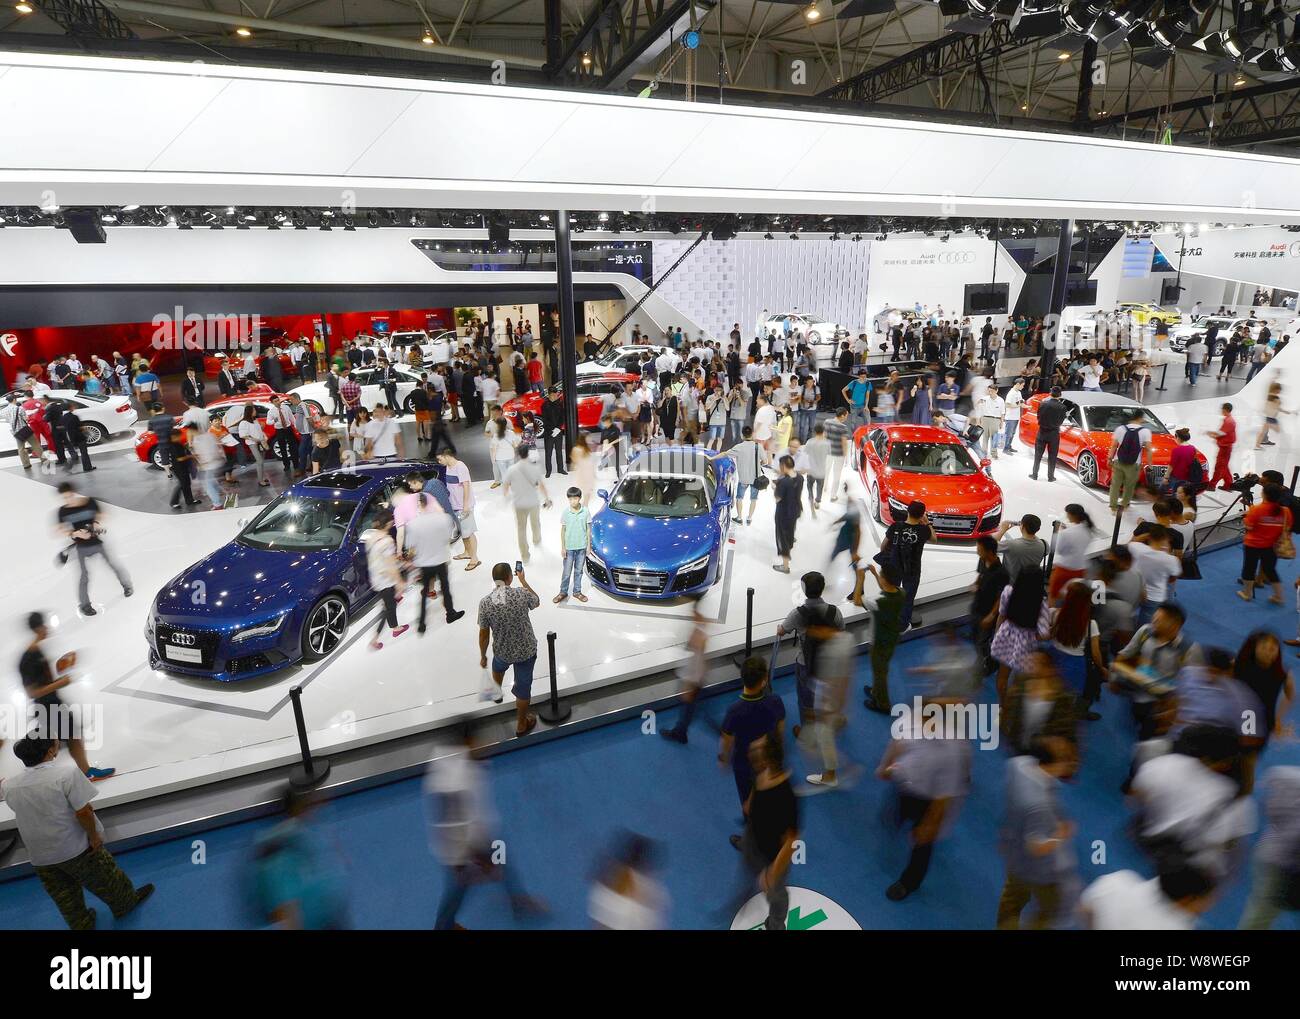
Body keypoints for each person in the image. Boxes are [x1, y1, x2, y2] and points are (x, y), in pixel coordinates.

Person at [1, 735, 152, 929]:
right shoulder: (66, 775)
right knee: (108, 878)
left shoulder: (10, 785)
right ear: (50, 751)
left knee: (64, 896)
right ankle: (125, 904)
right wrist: (94, 836)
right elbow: (83, 811)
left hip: (40, 856)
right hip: (75, 848)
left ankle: (82, 923)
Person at [424, 724, 544, 930]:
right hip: (463, 850)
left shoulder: (461, 760)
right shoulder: (452, 782)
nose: (480, 744)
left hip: (484, 836)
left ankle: (517, 901)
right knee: (458, 888)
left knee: (504, 862)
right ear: (465, 743)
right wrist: (472, 859)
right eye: (474, 740)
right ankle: (443, 926)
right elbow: (453, 825)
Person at [876, 698, 971, 901]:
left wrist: (930, 824)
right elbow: (896, 743)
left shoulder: (951, 749)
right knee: (895, 814)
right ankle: (900, 821)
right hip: (904, 787)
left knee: (923, 845)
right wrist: (885, 765)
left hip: (928, 800)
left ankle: (909, 882)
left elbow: (944, 795)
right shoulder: (909, 722)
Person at [996, 736, 1079, 930]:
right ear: (1053, 763)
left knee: (1011, 900)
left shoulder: (1018, 764)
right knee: (1051, 910)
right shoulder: (1038, 804)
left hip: (1012, 848)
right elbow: (1037, 847)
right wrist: (1061, 834)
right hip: (1038, 869)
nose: (1072, 763)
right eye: (1067, 759)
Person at [723, 733, 799, 930]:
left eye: (757, 749)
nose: (751, 749)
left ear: (768, 758)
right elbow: (754, 794)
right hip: (753, 837)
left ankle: (776, 924)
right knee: (748, 861)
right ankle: (747, 854)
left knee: (777, 894)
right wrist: (750, 803)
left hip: (772, 854)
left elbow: (791, 842)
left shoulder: (785, 796)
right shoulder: (762, 772)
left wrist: (772, 873)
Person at [719, 657, 786, 837]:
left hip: (743, 762)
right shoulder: (775, 701)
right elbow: (780, 729)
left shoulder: (735, 710)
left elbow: (727, 738)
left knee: (748, 798)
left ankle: (752, 836)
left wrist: (724, 757)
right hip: (769, 759)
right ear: (764, 679)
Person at [477, 563, 542, 736]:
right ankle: (521, 724)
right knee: (523, 688)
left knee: (498, 666)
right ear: (509, 578)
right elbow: (537, 601)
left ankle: (497, 692)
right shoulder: (521, 594)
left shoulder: (485, 603)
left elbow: (484, 634)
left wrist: (483, 655)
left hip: (502, 650)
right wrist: (524, 581)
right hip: (525, 650)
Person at [56, 482, 131, 616]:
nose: (68, 500)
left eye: (70, 496)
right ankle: (85, 605)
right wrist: (74, 533)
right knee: (84, 576)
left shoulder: (89, 502)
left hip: (97, 543)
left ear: (74, 492)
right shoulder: (63, 511)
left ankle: (127, 585)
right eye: (65, 498)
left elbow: (102, 514)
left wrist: (96, 523)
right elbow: (59, 530)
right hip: (80, 547)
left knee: (113, 565)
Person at [1238, 765, 1300, 929]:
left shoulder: (1284, 775)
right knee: (1261, 914)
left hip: (1270, 853)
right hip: (1284, 861)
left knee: (1261, 913)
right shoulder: (1288, 778)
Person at [402, 492, 465, 633]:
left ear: (418, 506)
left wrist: (409, 560)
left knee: (425, 592)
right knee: (445, 589)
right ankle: (450, 614)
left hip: (423, 563)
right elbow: (448, 538)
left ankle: (422, 624)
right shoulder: (444, 519)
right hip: (440, 559)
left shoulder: (412, 524)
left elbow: (411, 548)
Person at [1081, 866, 1217, 930]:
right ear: (1186, 899)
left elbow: (1085, 908)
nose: (1208, 905)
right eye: (1204, 899)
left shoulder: (1117, 881)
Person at [990, 565, 1051, 699]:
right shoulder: (1041, 603)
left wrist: (997, 633)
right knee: (1022, 681)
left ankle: (1003, 707)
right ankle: (1016, 708)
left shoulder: (1008, 592)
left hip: (1007, 634)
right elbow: (1044, 634)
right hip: (1027, 643)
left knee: (1002, 675)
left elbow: (1001, 615)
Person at [880, 500, 933, 631]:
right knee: (908, 597)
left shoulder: (896, 526)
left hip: (895, 567)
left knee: (892, 593)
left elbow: (883, 545)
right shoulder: (923, 530)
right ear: (922, 515)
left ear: (907, 511)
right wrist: (927, 523)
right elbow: (934, 538)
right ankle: (903, 625)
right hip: (913, 569)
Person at [361, 509, 409, 650]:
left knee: (388, 604)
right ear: (388, 523)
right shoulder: (387, 541)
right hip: (386, 579)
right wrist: (399, 581)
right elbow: (390, 565)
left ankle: (394, 625)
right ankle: (378, 637)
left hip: (376, 576)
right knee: (387, 608)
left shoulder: (371, 537)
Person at [1239, 483, 1292, 605]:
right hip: (1272, 546)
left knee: (1249, 568)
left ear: (1264, 494)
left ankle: (1247, 593)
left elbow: (1249, 526)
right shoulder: (1285, 511)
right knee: (1270, 570)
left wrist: (1245, 519)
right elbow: (1287, 527)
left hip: (1253, 545)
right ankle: (1279, 596)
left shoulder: (1256, 509)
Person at [863, 562, 905, 713]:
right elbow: (887, 589)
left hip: (878, 641)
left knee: (879, 672)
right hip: (892, 637)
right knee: (882, 668)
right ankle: (875, 691)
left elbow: (857, 599)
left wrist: (860, 578)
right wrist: (875, 574)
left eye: (880, 574)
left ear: (884, 579)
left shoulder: (876, 602)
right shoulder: (901, 592)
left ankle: (883, 704)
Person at [503, 445, 551, 564]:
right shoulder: (534, 468)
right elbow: (541, 485)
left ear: (518, 454)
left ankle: (525, 556)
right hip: (533, 502)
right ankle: (537, 540)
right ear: (528, 453)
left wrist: (507, 497)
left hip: (519, 504)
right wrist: (547, 498)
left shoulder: (512, 469)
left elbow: (505, 487)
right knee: (536, 524)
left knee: (521, 530)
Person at [437, 450, 481, 571]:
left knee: (469, 532)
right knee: (463, 532)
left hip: (463, 506)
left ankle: (474, 558)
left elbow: (466, 486)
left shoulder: (460, 467)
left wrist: (465, 506)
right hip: (455, 506)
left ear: (446, 456)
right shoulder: (448, 467)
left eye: (440, 459)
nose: (439, 462)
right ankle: (467, 552)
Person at [1107, 408, 1151, 515]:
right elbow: (1148, 449)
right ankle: (1124, 505)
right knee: (1129, 486)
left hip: (1118, 461)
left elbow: (1114, 446)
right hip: (1134, 464)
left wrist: (1109, 458)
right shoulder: (1145, 431)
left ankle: (1113, 507)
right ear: (1140, 418)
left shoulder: (1120, 429)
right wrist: (1149, 464)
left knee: (1115, 485)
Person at [1049, 504, 1096, 601]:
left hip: (1065, 569)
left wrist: (1059, 533)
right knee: (1072, 595)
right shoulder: (1088, 530)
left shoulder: (1066, 533)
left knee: (1053, 594)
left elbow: (1059, 551)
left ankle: (1051, 613)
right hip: (1081, 568)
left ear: (1072, 515)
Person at [556, 486, 591, 603]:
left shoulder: (585, 511)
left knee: (578, 571)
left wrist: (588, 546)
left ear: (579, 498)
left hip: (581, 547)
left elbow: (588, 529)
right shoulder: (566, 512)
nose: (572, 501)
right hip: (569, 548)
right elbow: (563, 530)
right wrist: (563, 547)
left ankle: (577, 592)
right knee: (566, 572)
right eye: (570, 499)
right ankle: (563, 592)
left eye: (575, 499)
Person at [772, 454, 803, 574]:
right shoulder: (800, 478)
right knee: (790, 534)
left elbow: (777, 498)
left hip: (783, 513)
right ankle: (788, 553)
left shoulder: (784, 482)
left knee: (782, 538)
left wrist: (775, 487)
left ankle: (785, 566)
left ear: (783, 466)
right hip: (795, 511)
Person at [995, 513, 1048, 583]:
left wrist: (1002, 530)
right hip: (1031, 583)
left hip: (1011, 585)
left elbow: (991, 545)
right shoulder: (1044, 544)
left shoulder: (1011, 544)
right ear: (1038, 529)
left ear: (1022, 527)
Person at [1029, 387, 1066, 482]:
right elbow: (1061, 421)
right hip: (1054, 434)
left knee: (1038, 455)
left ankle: (1034, 474)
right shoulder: (1062, 407)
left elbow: (1038, 417)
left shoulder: (1043, 404)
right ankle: (1050, 477)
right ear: (1060, 395)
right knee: (1053, 456)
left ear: (1050, 393)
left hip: (1042, 432)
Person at [823, 407, 850, 501]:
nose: (847, 417)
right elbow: (844, 443)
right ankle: (833, 496)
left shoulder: (827, 422)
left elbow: (824, 436)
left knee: (826, 471)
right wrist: (846, 456)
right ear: (842, 415)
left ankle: (823, 488)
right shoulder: (843, 428)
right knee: (836, 475)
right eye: (846, 415)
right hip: (839, 454)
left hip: (828, 453)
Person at [1207, 403, 1236, 491]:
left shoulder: (1229, 421)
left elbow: (1221, 433)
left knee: (1220, 467)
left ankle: (1212, 485)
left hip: (1225, 448)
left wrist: (1211, 434)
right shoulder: (1229, 420)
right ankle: (1228, 484)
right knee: (1224, 466)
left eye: (1222, 409)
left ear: (1225, 410)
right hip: (1225, 447)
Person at [541, 386, 568, 476]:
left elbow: (562, 417)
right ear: (549, 395)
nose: (554, 396)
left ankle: (560, 469)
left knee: (559, 452)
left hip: (558, 432)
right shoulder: (544, 405)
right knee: (548, 453)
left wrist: (558, 428)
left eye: (555, 394)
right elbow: (545, 419)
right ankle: (548, 471)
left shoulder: (560, 404)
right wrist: (552, 429)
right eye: (552, 395)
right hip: (548, 433)